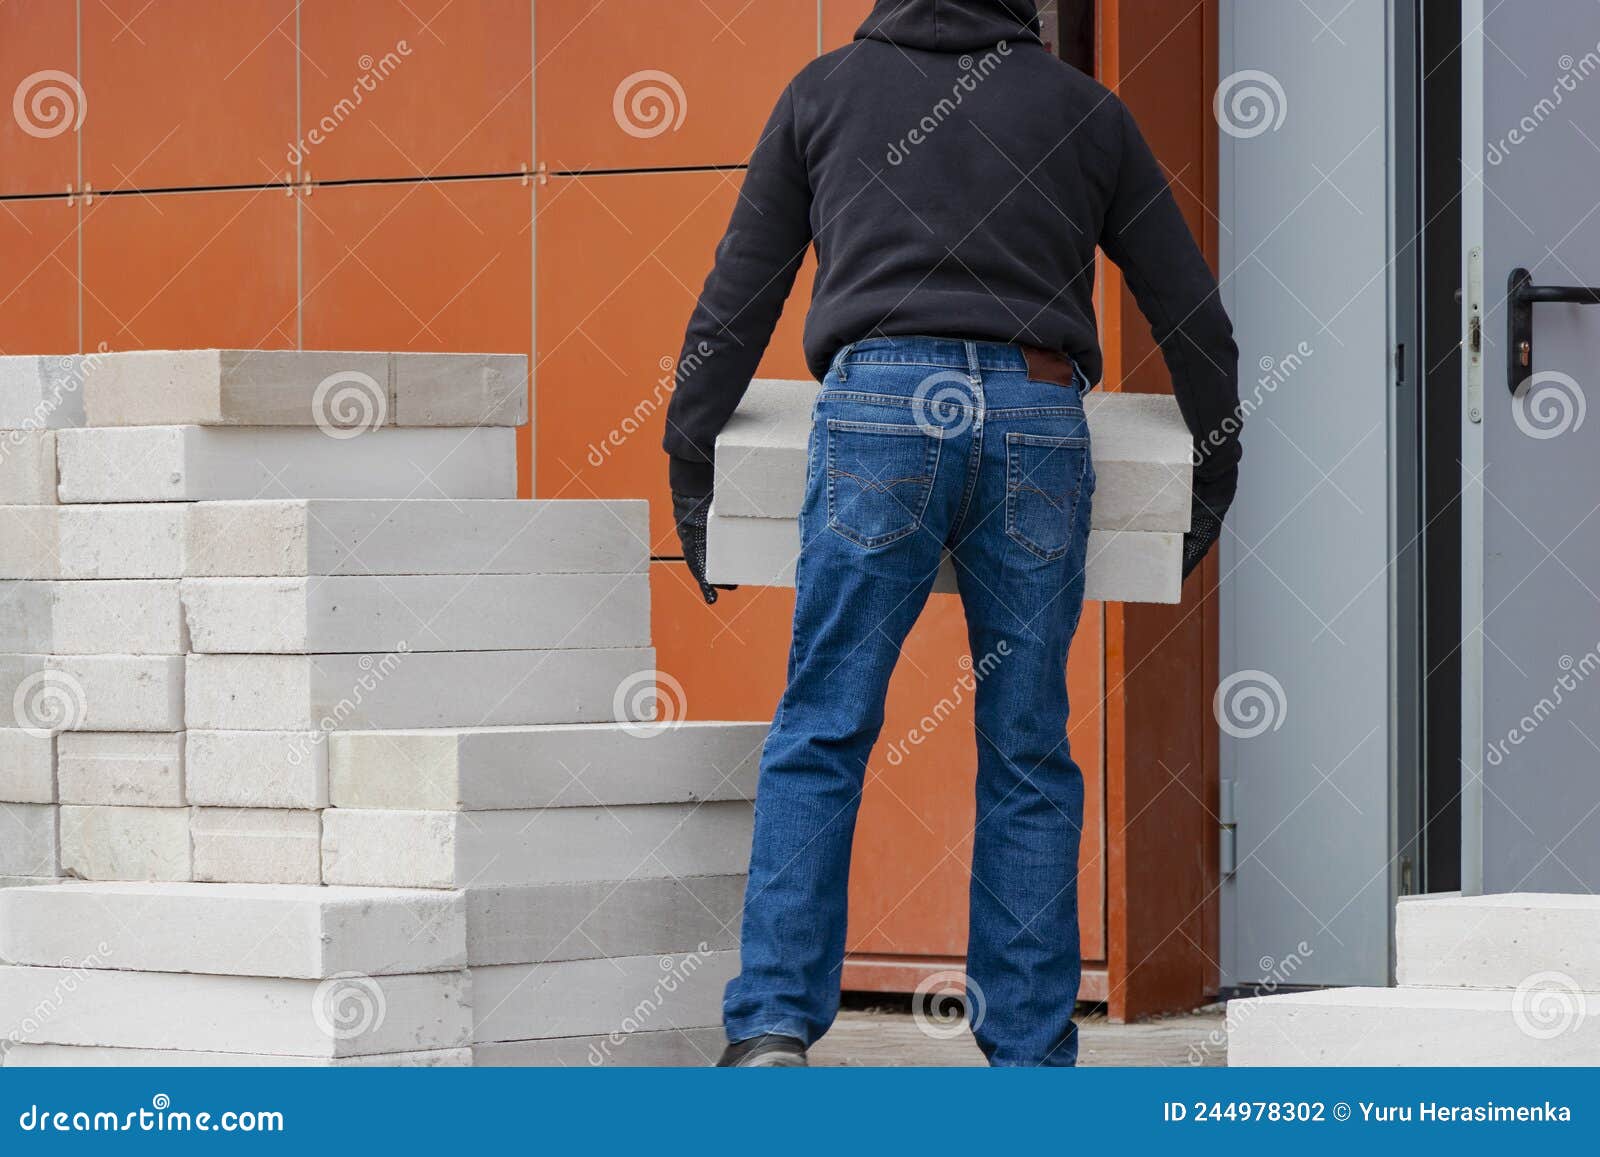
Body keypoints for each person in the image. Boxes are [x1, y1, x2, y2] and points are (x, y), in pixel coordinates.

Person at [663, 0, 1240, 1068]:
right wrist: (1215, 467)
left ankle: (773, 1028)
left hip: (879, 410)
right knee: (1028, 747)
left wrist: (691, 464)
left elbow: (736, 299)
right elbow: (1190, 311)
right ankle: (1027, 1056)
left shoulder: (824, 94)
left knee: (822, 726)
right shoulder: (1084, 110)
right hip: (1035, 415)